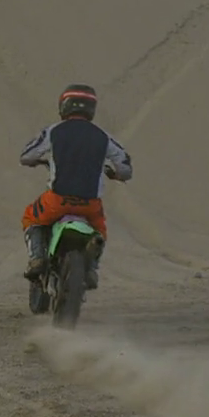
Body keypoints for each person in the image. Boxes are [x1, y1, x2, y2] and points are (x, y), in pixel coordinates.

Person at [19, 83, 132, 289]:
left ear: (64, 105)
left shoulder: (53, 131)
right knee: (100, 233)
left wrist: (37, 161)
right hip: (90, 206)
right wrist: (115, 174)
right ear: (91, 109)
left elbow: (27, 156)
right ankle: (92, 268)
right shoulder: (103, 137)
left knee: (30, 217)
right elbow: (125, 167)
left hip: (56, 201)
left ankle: (37, 258)